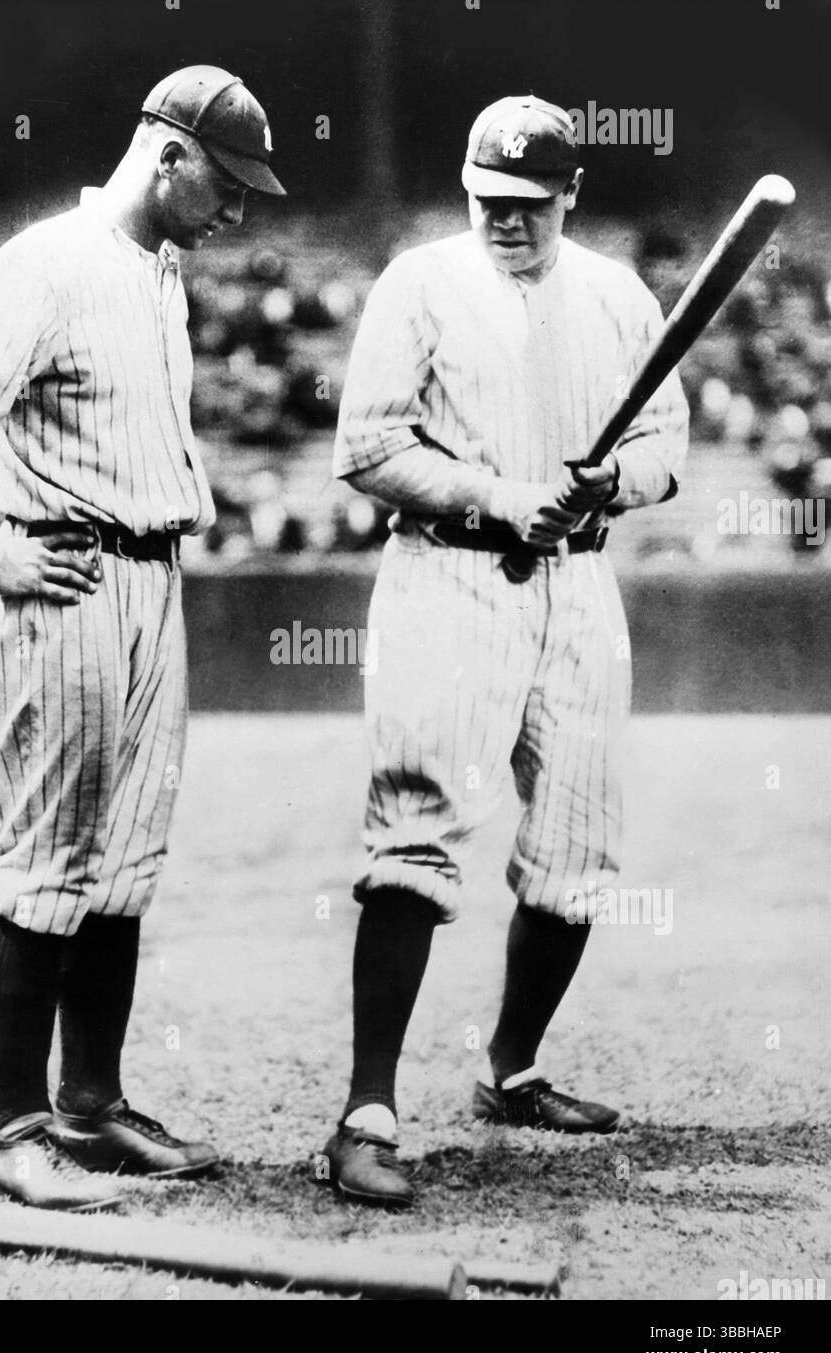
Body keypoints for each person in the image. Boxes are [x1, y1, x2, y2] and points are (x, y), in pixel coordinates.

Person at [0, 66, 285, 1211]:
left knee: (120, 869)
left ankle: (91, 1107)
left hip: (145, 582)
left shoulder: (157, 271)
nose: (238, 213)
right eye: (225, 184)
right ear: (165, 156)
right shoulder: (47, 262)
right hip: (54, 584)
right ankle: (18, 1133)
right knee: (43, 871)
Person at [320, 95, 688, 1207]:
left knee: (579, 843)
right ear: (464, 186)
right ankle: (365, 1113)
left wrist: (610, 483)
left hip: (576, 584)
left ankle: (510, 1068)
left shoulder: (618, 294)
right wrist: (498, 494)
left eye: (529, 204)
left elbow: (665, 442)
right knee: (416, 828)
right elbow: (368, 445)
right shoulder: (418, 283)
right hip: (447, 574)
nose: (506, 222)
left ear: (570, 193)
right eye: (487, 200)